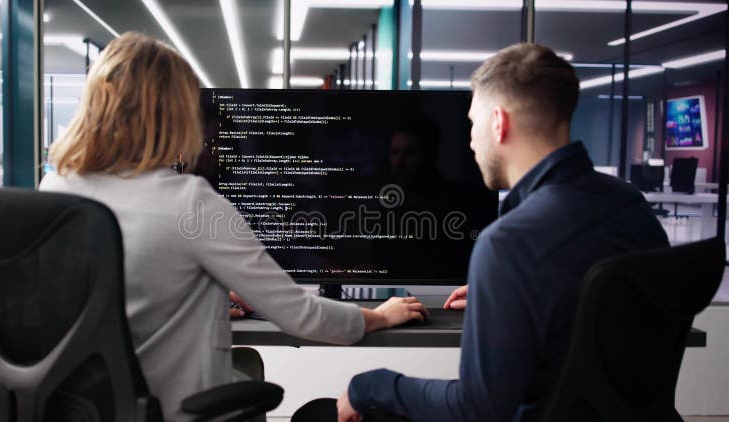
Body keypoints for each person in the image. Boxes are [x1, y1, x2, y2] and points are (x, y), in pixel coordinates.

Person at [38, 32, 427, 422]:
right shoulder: (190, 202)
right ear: (176, 115)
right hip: (171, 409)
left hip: (81, 408)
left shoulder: (55, 190)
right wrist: (380, 315)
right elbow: (300, 316)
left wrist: (190, 297)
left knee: (244, 369)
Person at [335, 43, 669, 421]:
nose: (472, 141)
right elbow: (602, 320)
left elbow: (477, 410)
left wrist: (370, 386)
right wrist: (512, 296)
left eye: (473, 125)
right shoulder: (631, 206)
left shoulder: (510, 242)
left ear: (498, 123)